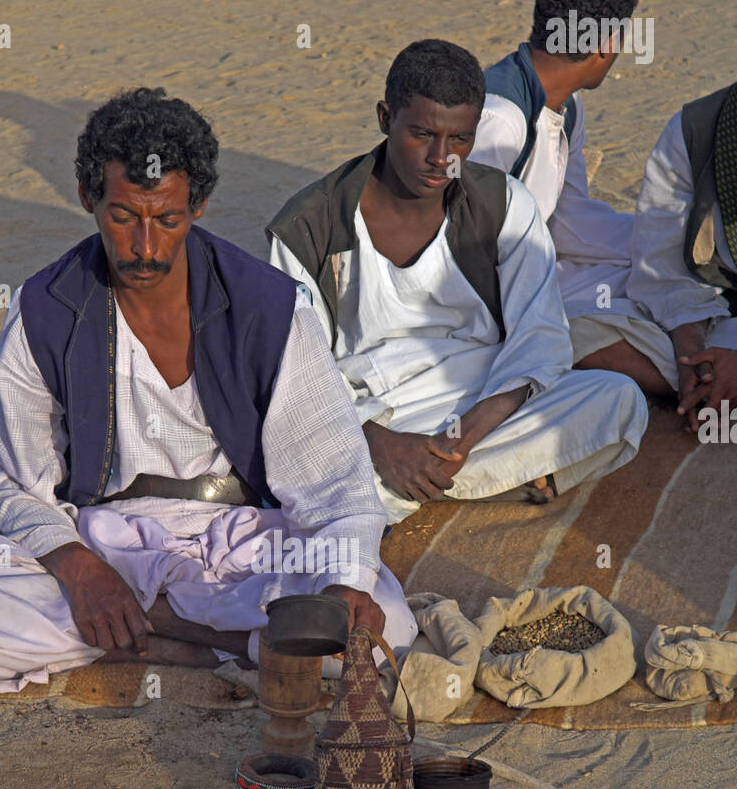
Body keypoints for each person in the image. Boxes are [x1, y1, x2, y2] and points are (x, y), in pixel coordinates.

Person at [0, 88, 416, 694]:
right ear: (89, 198)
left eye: (167, 219)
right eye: (124, 216)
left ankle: (149, 635)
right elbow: (15, 481)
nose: (145, 247)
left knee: (384, 625)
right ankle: (231, 645)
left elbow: (333, 478)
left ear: (199, 205)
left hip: (247, 538)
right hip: (105, 536)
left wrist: (344, 586)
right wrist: (81, 571)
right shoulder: (43, 309)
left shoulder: (271, 307)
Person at [266, 40, 647, 524]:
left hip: (480, 401)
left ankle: (416, 486)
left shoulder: (505, 204)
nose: (441, 158)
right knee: (304, 459)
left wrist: (458, 442)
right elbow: (300, 379)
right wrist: (383, 446)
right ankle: (461, 481)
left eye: (460, 140)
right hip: (368, 412)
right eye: (422, 134)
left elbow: (541, 337)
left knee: (618, 401)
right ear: (386, 117)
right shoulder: (308, 227)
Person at [469, 0, 675, 396]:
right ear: (607, 45)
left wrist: (668, 245)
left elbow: (570, 222)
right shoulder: (500, 120)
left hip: (537, 273)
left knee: (667, 285)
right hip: (483, 303)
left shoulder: (567, 105)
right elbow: (462, 254)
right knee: (636, 348)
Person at [628, 82, 737, 433]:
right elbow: (662, 268)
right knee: (580, 329)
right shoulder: (695, 130)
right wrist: (690, 354)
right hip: (721, 313)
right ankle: (707, 382)